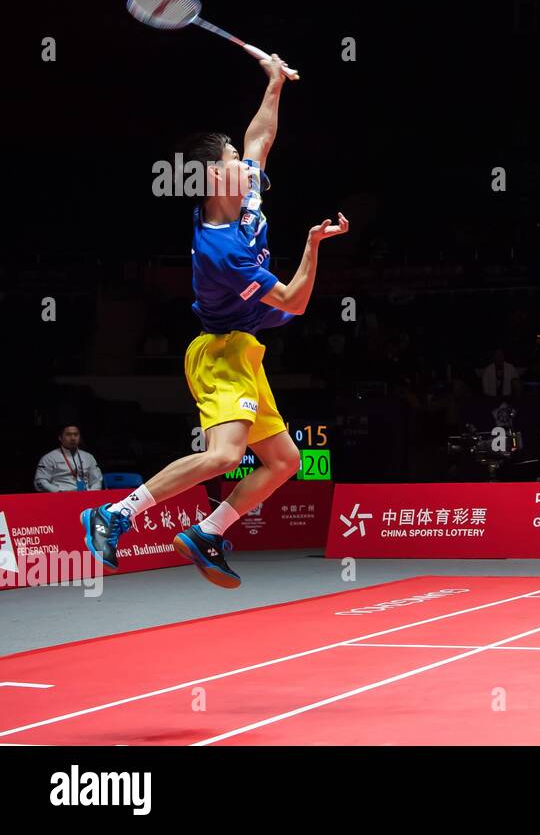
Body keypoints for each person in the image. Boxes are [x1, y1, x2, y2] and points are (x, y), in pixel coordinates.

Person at [81, 53, 349, 588]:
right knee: (226, 456)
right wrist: (313, 245)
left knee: (284, 461)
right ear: (212, 175)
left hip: (246, 351)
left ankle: (208, 532)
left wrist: (274, 83)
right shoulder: (222, 251)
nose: (244, 163)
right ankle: (114, 515)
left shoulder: (243, 189)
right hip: (218, 352)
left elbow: (260, 138)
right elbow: (295, 302)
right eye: (231, 158)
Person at [35, 425, 103, 492]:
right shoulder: (49, 458)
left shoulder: (88, 457)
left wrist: (91, 493)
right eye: (68, 434)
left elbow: (97, 480)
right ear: (60, 438)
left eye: (76, 434)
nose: (73, 438)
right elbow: (40, 481)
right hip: (60, 496)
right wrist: (59, 492)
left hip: (86, 495)